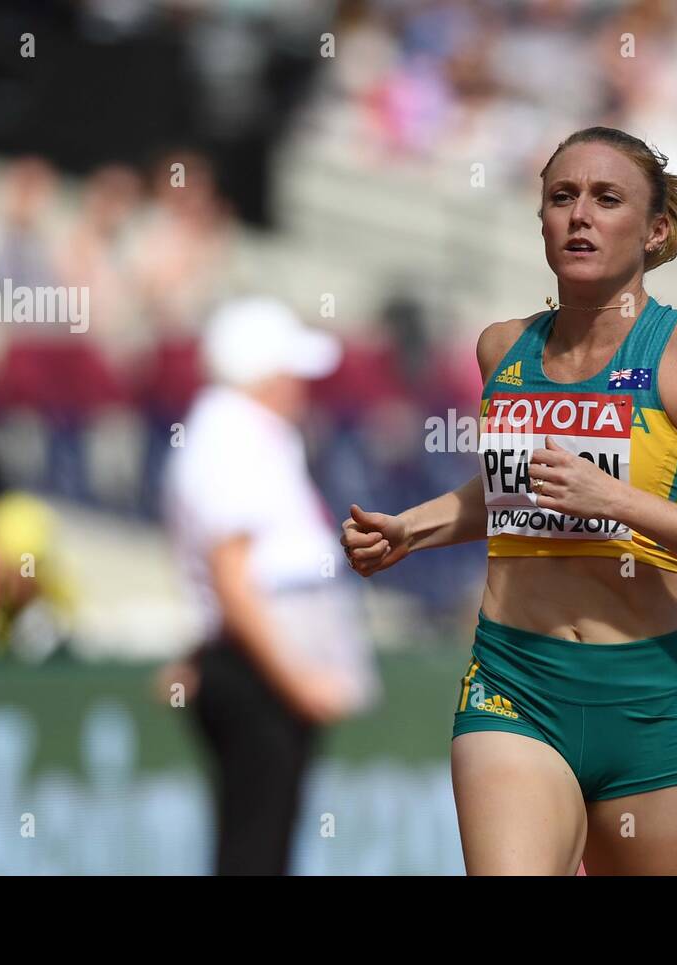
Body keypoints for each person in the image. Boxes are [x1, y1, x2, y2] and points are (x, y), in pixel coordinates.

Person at [341, 127, 677, 875]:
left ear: (653, 231)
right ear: (541, 221)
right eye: (561, 197)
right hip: (514, 685)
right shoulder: (502, 351)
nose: (580, 214)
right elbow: (519, 491)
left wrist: (616, 500)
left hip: (645, 701)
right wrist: (413, 527)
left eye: (606, 198)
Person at [165, 296, 380, 875]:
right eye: (288, 371)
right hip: (259, 670)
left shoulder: (246, 434)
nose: (300, 385)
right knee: (255, 851)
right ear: (259, 373)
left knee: (264, 844)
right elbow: (233, 580)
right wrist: (297, 681)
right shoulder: (230, 436)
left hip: (256, 664)